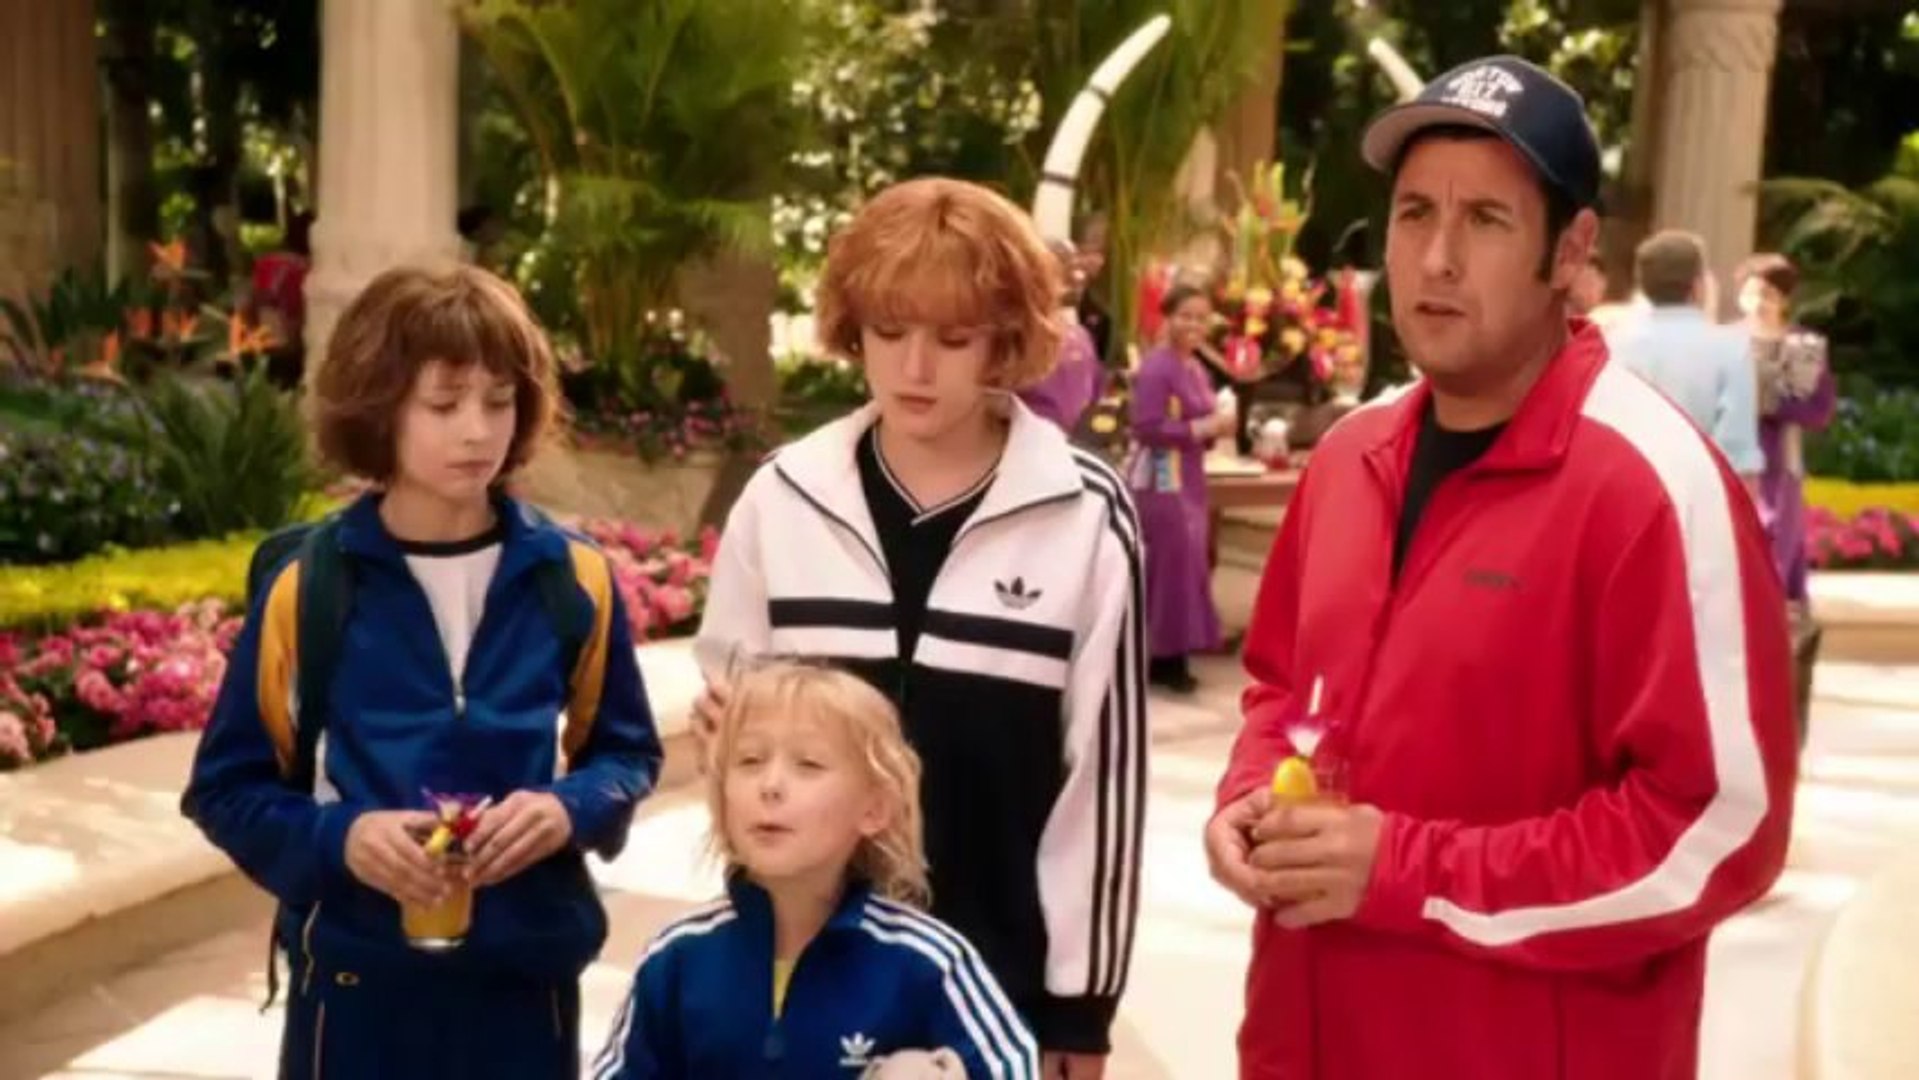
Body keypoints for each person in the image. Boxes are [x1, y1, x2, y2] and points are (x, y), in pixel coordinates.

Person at [1203, 56, 1797, 1080]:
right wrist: (1250, 795)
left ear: (1568, 252)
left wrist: (1406, 870)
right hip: (1302, 1039)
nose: (1435, 258)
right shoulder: (1347, 458)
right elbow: (1282, 691)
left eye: (1484, 220)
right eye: (1413, 214)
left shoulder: (1651, 488)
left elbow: (1717, 828)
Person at [693, 176, 1146, 1078]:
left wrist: (1079, 1009)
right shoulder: (783, 498)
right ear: (852, 328)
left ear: (1005, 340)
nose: (914, 368)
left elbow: (1103, 786)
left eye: (952, 337)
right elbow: (732, 744)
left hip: (993, 991)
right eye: (890, 331)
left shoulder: (1083, 513)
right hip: (799, 983)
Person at [182, 264, 663, 1080]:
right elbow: (226, 791)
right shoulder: (311, 586)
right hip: (354, 998)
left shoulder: (570, 578)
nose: (477, 431)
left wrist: (566, 809)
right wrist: (342, 839)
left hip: (524, 991)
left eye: (499, 401)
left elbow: (626, 754)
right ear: (379, 408)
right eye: (443, 405)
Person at [592, 662, 1038, 1078]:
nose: (770, 786)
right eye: (749, 761)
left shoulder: (928, 963)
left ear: (874, 808)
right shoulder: (678, 958)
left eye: (808, 765)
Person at [1737, 251, 1837, 740]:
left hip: (1779, 471)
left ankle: (1774, 695)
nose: (1759, 301)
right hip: (1730, 463)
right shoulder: (1722, 343)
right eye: (1752, 290)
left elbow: (1819, 409)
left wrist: (1773, 397)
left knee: (1776, 560)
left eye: (1769, 293)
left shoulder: (1803, 347)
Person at [1128, 284, 1229, 693]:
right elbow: (1147, 426)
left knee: (1189, 565)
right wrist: (1202, 427)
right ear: (1167, 318)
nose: (1193, 325)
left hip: (1190, 475)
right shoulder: (1157, 367)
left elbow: (1205, 420)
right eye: (1185, 316)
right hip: (1161, 478)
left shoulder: (1196, 368)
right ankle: (1162, 657)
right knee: (1171, 565)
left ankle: (1176, 652)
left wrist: (1217, 427)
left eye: (1201, 318)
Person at [1606, 229, 1763, 492]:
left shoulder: (1611, 345)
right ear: (1698, 286)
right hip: (1698, 496)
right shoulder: (1731, 348)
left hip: (1624, 492)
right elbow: (1737, 454)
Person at [1018, 238, 1107, 438]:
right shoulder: (1015, 335)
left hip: (1071, 447)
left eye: (1075, 266)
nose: (1077, 276)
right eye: (1064, 268)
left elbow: (1095, 393)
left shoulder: (1081, 336)